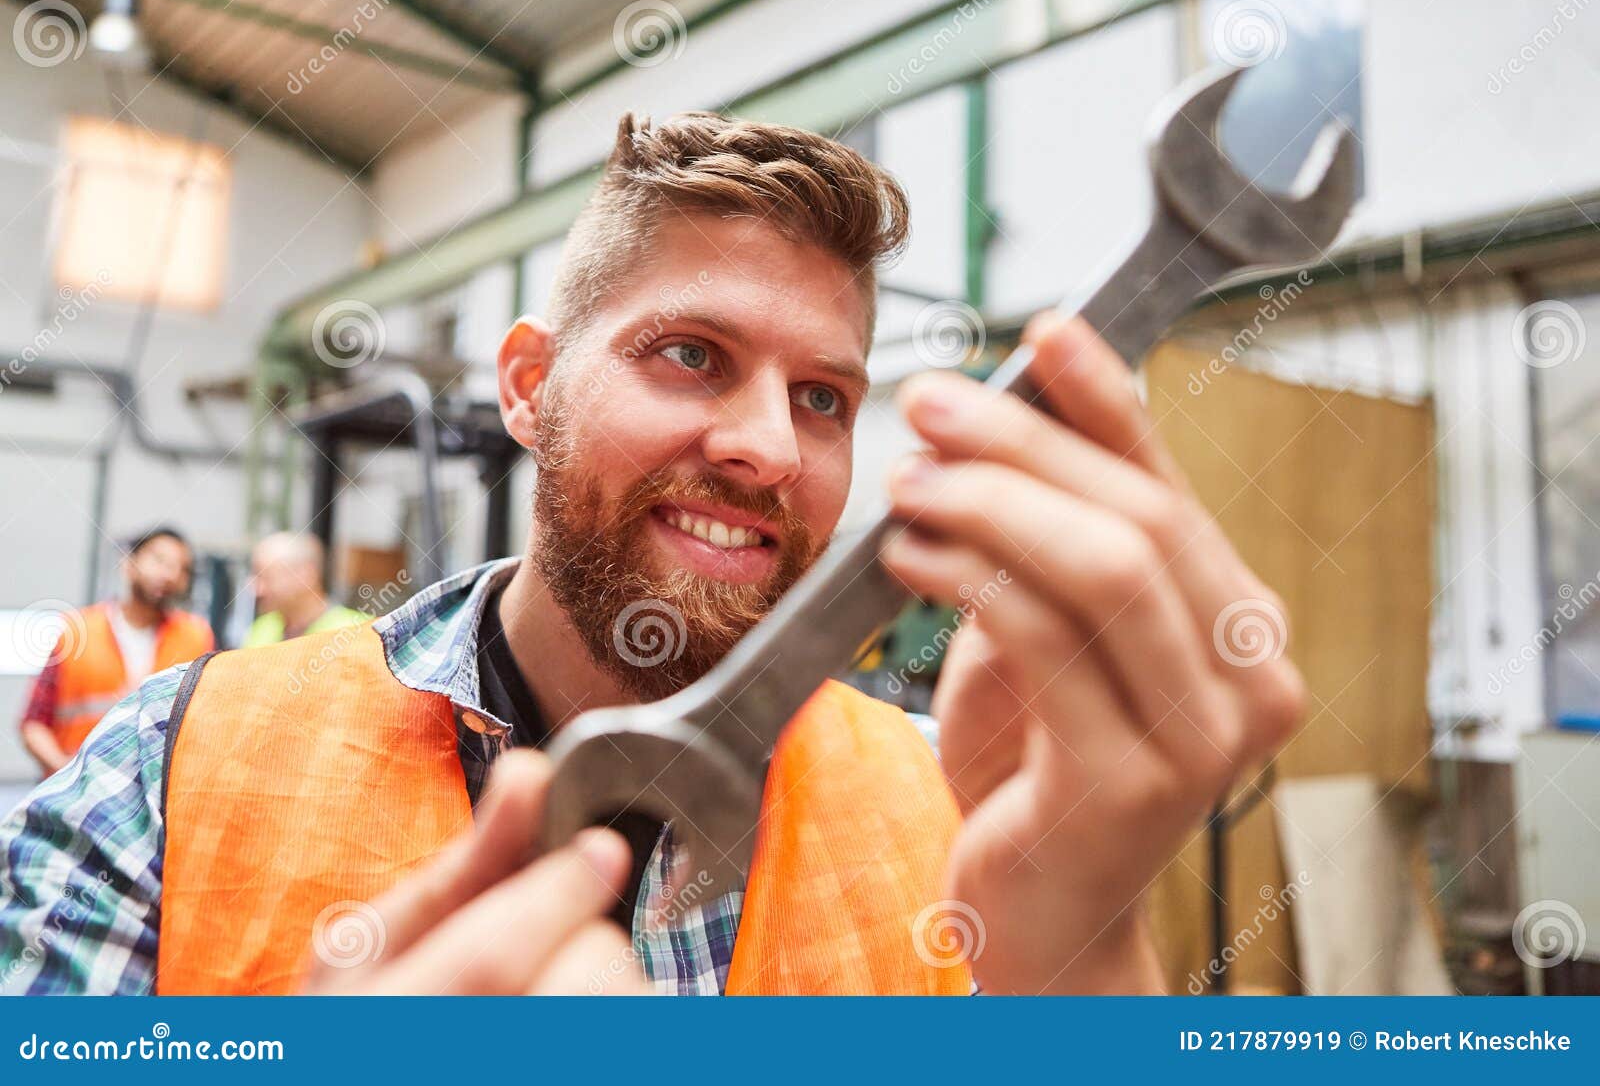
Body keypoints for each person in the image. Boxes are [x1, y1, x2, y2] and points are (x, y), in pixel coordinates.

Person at [0, 114, 1304, 996]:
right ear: (527, 387)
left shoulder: (958, 813)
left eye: (824, 398)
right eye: (692, 355)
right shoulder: (166, 779)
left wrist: (1082, 977)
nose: (769, 450)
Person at [17, 526, 213, 778]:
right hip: (77, 798)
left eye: (182, 568)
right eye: (159, 560)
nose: (169, 574)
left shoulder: (196, 637)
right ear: (129, 564)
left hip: (157, 797)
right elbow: (34, 722)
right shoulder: (78, 631)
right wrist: (67, 773)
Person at [241, 532, 368, 647]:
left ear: (306, 574)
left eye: (266, 578)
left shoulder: (361, 631)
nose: (256, 589)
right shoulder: (262, 629)